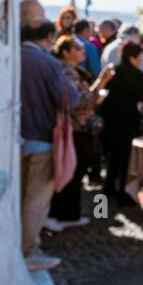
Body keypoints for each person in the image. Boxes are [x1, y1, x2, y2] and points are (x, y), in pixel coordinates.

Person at [20, 19, 79, 270]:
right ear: (47, 38)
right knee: (36, 199)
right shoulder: (47, 63)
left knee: (21, 197)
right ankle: (28, 251)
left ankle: (21, 243)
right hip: (42, 137)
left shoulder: (10, 56)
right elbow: (70, 99)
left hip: (14, 138)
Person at [47, 35, 112, 229]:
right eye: (78, 48)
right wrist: (102, 82)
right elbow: (82, 101)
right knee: (72, 170)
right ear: (66, 51)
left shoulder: (71, 71)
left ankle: (67, 214)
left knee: (74, 170)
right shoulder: (66, 72)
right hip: (74, 128)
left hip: (75, 127)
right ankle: (62, 215)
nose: (83, 51)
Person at [97, 41, 143, 206]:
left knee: (114, 156)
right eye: (140, 56)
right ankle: (123, 192)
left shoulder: (115, 70)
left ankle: (109, 187)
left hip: (112, 119)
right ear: (133, 57)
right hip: (128, 121)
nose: (141, 60)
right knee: (125, 158)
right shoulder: (135, 74)